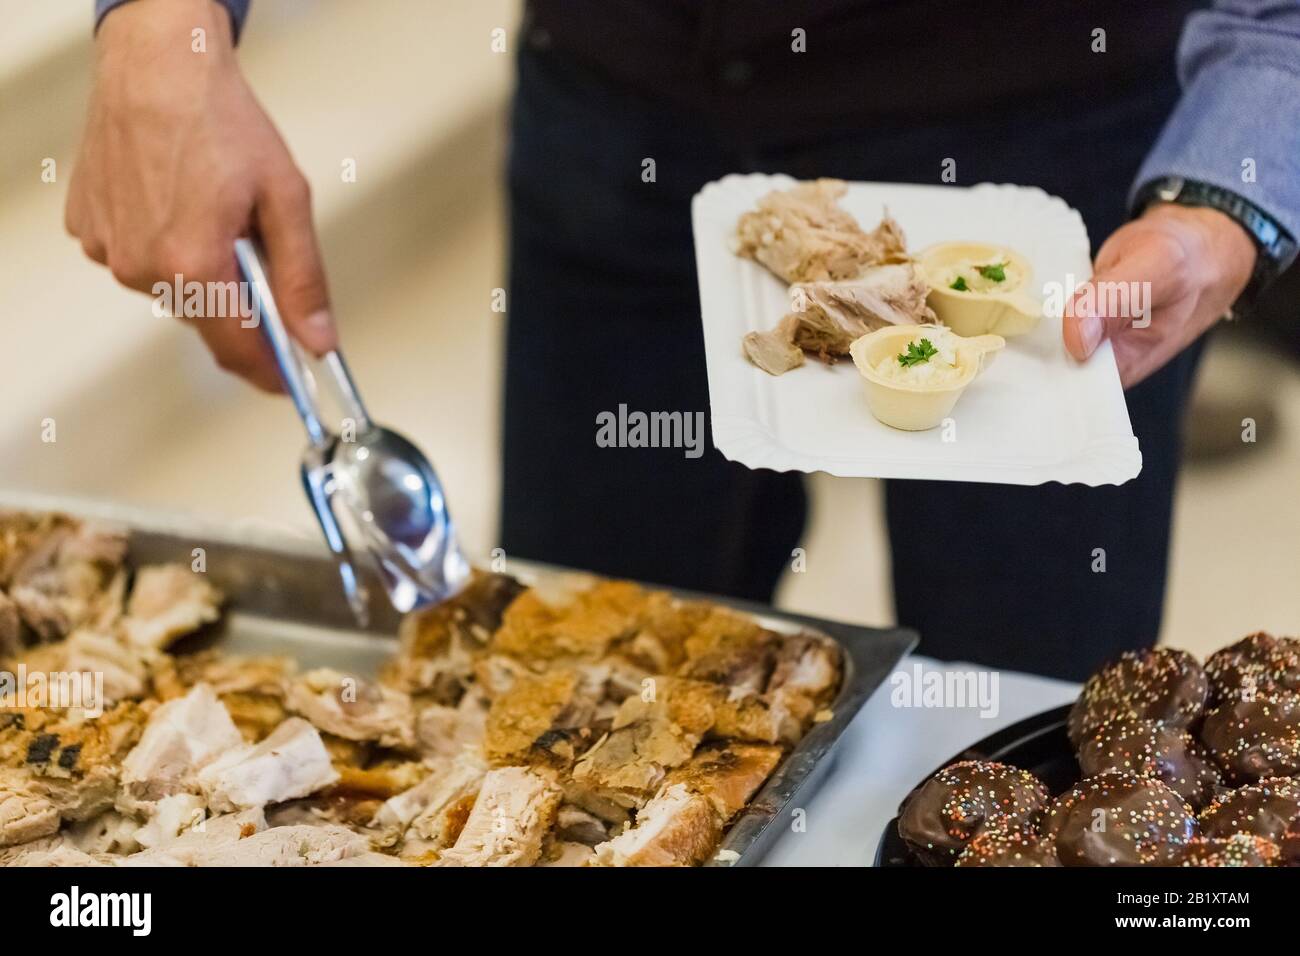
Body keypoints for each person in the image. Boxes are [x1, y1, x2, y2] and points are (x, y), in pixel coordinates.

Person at [68, 0, 1297, 679]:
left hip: (1052, 148)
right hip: (623, 107)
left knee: (1014, 742)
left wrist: (1236, 181)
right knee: (579, 679)